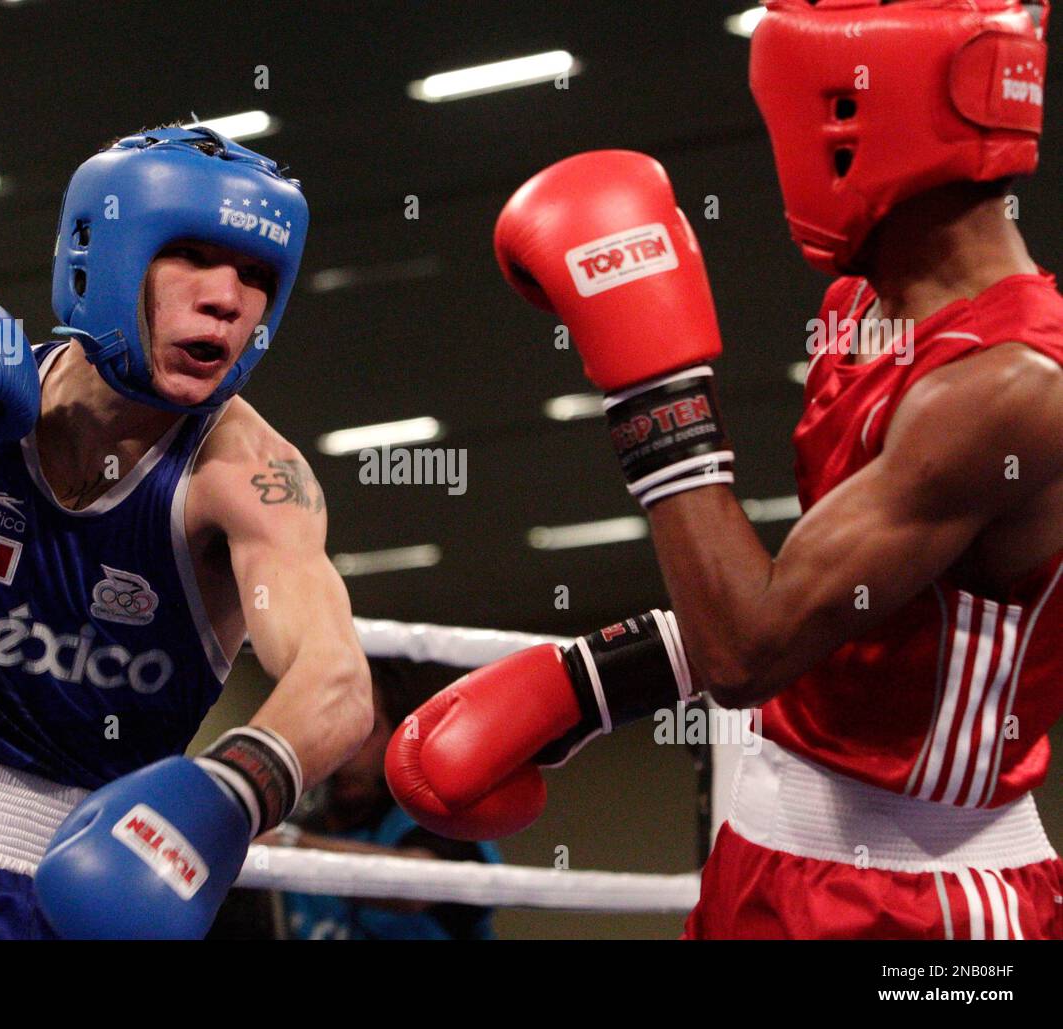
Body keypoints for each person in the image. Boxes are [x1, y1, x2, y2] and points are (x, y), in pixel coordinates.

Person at [388, 0, 1063, 939]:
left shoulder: (1009, 390)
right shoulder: (863, 315)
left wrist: (655, 389)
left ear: (846, 127)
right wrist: (597, 680)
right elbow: (826, 604)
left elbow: (749, 650)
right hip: (765, 852)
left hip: (923, 904)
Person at [0, 125, 372, 939]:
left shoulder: (251, 479)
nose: (227, 298)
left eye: (255, 275)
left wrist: (231, 789)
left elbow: (337, 681)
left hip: (108, 891)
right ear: (102, 254)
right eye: (194, 255)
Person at [265, 657, 500, 940]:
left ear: (399, 736)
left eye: (365, 729)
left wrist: (290, 845)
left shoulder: (444, 817)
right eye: (332, 730)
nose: (346, 750)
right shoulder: (302, 821)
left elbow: (418, 886)